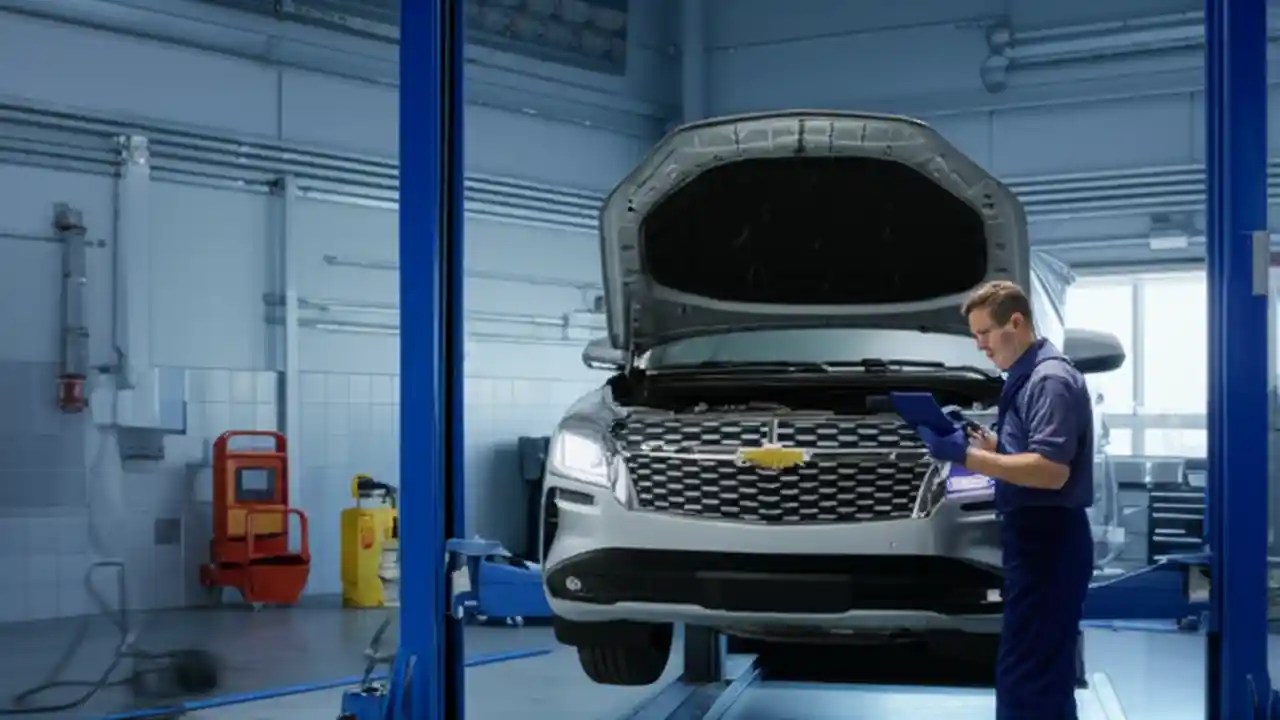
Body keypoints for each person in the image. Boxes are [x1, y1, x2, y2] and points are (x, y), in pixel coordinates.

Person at [914, 280, 1095, 720]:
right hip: (1034, 535)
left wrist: (967, 457)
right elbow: (1031, 453)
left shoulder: (1049, 380)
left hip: (1048, 537)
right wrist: (991, 445)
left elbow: (1051, 472)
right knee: (1034, 664)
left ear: (1016, 322)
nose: (981, 347)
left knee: (1031, 670)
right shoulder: (1028, 376)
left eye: (986, 334)